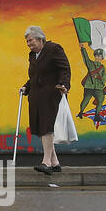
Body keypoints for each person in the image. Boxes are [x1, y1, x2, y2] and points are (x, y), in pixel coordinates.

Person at [19, 25, 71, 174]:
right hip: (37, 96)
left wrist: (64, 84)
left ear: (40, 38)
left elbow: (65, 68)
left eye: (31, 41)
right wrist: (26, 87)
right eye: (27, 42)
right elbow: (34, 76)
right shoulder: (32, 55)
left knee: (47, 127)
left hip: (51, 94)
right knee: (43, 128)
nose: (29, 44)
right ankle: (55, 163)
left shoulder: (54, 49)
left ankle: (46, 162)